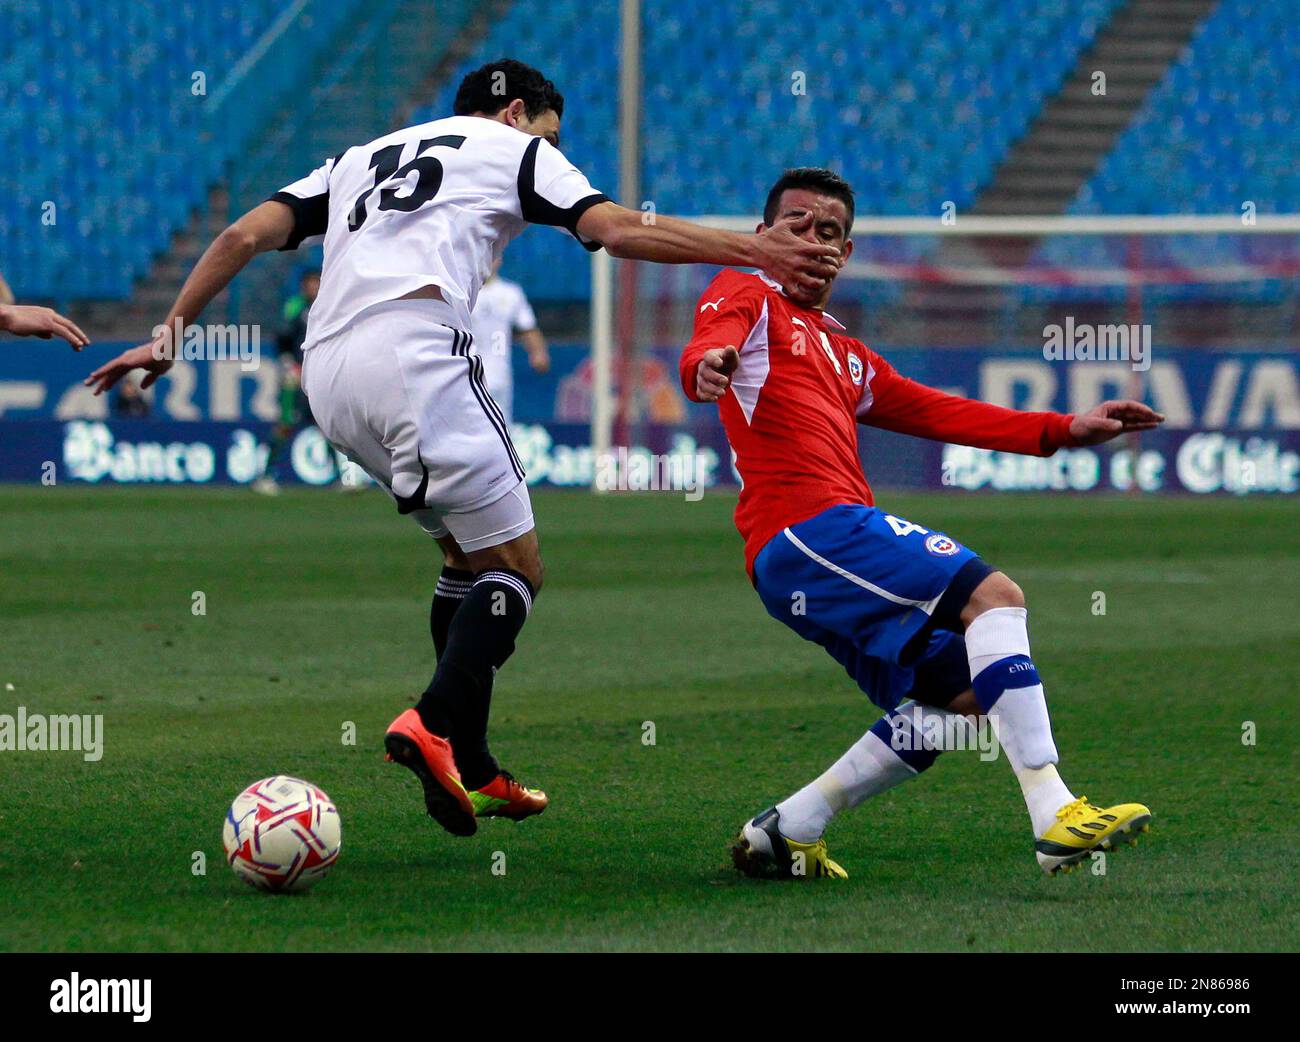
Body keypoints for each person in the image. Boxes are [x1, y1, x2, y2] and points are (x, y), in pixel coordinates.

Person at [84, 60, 837, 840]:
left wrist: (168, 337)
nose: (555, 148)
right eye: (551, 133)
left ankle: (473, 765)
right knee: (518, 570)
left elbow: (242, 235)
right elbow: (613, 229)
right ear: (515, 111)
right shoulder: (514, 149)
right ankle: (433, 721)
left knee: (465, 560)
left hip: (331, 378)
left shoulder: (355, 161)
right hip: (416, 356)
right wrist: (757, 253)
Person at [678, 168, 1164, 878]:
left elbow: (938, 411)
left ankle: (790, 827)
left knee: (964, 696)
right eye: (797, 225)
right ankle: (1055, 812)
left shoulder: (845, 353)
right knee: (995, 597)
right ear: (763, 234)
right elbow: (711, 339)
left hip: (811, 558)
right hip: (809, 530)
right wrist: (705, 364)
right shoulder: (748, 293)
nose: (814, 240)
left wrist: (1063, 428)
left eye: (830, 232)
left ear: (845, 253)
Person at [253, 270, 326, 494]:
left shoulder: (328, 305)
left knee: (327, 425)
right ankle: (265, 476)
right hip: (295, 375)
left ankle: (347, 478)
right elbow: (282, 336)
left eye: (316, 283)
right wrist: (288, 363)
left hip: (320, 375)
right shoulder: (295, 306)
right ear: (304, 286)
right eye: (310, 283)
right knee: (285, 423)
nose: (313, 287)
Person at [469, 258, 548, 424]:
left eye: (493, 256)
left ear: (500, 260)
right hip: (467, 373)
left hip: (499, 374)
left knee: (500, 424)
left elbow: (528, 327)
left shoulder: (511, 293)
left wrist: (538, 353)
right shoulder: (463, 291)